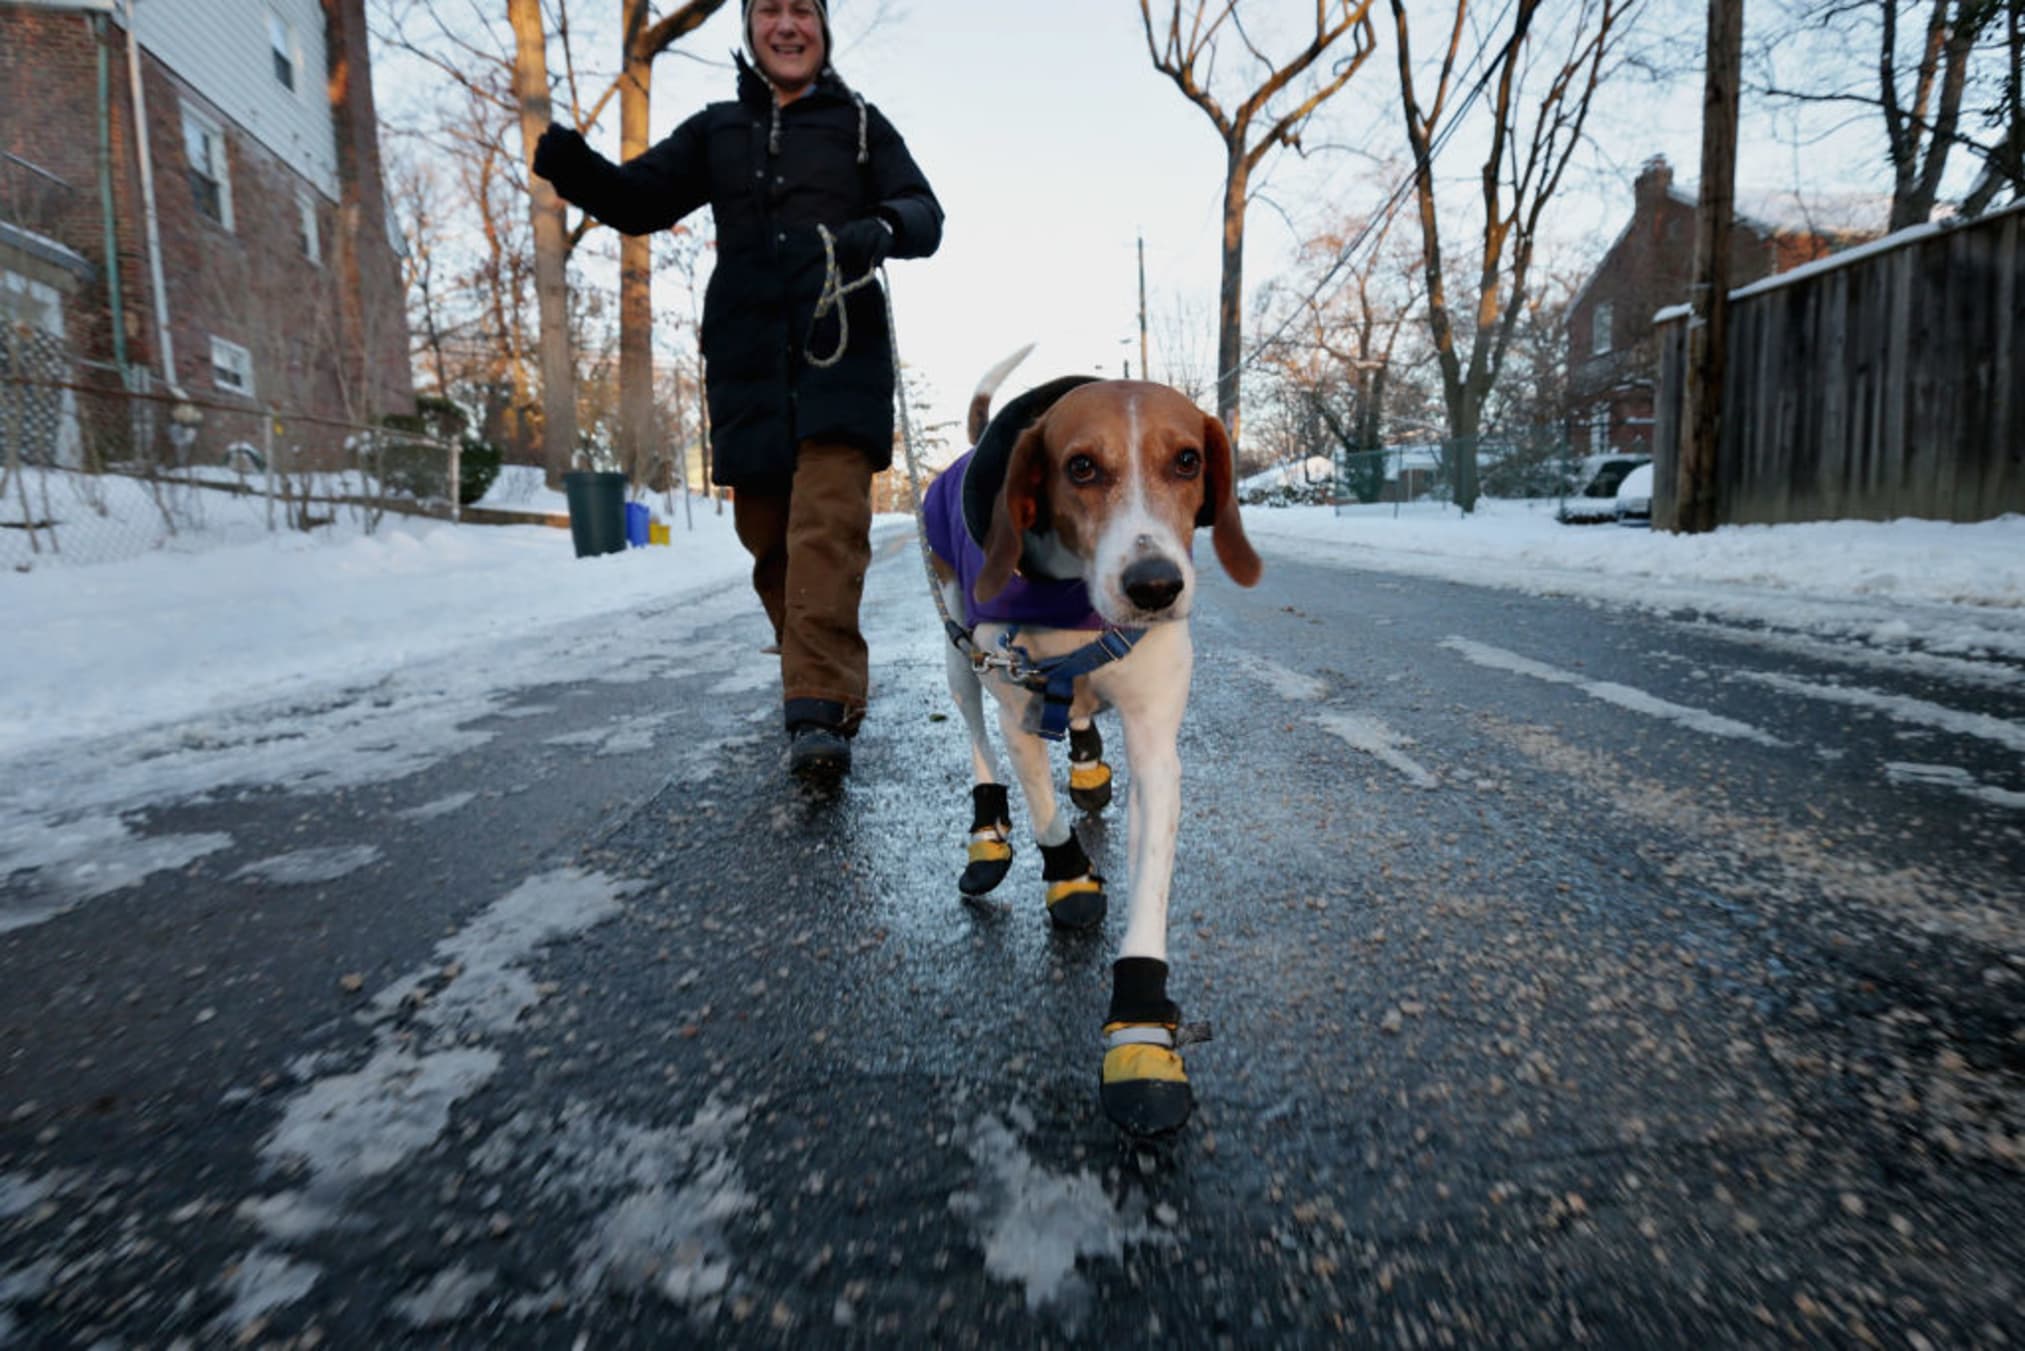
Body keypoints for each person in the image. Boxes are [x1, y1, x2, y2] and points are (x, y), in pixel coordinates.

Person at [532, 0, 943, 785]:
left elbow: (926, 213)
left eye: (803, 11)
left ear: (822, 29)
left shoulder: (860, 126)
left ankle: (818, 708)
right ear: (751, 28)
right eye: (770, 11)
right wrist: (569, 163)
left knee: (826, 527)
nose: (787, 26)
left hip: (839, 351)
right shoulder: (716, 130)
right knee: (770, 539)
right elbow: (638, 201)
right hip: (747, 363)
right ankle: (815, 681)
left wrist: (885, 225)